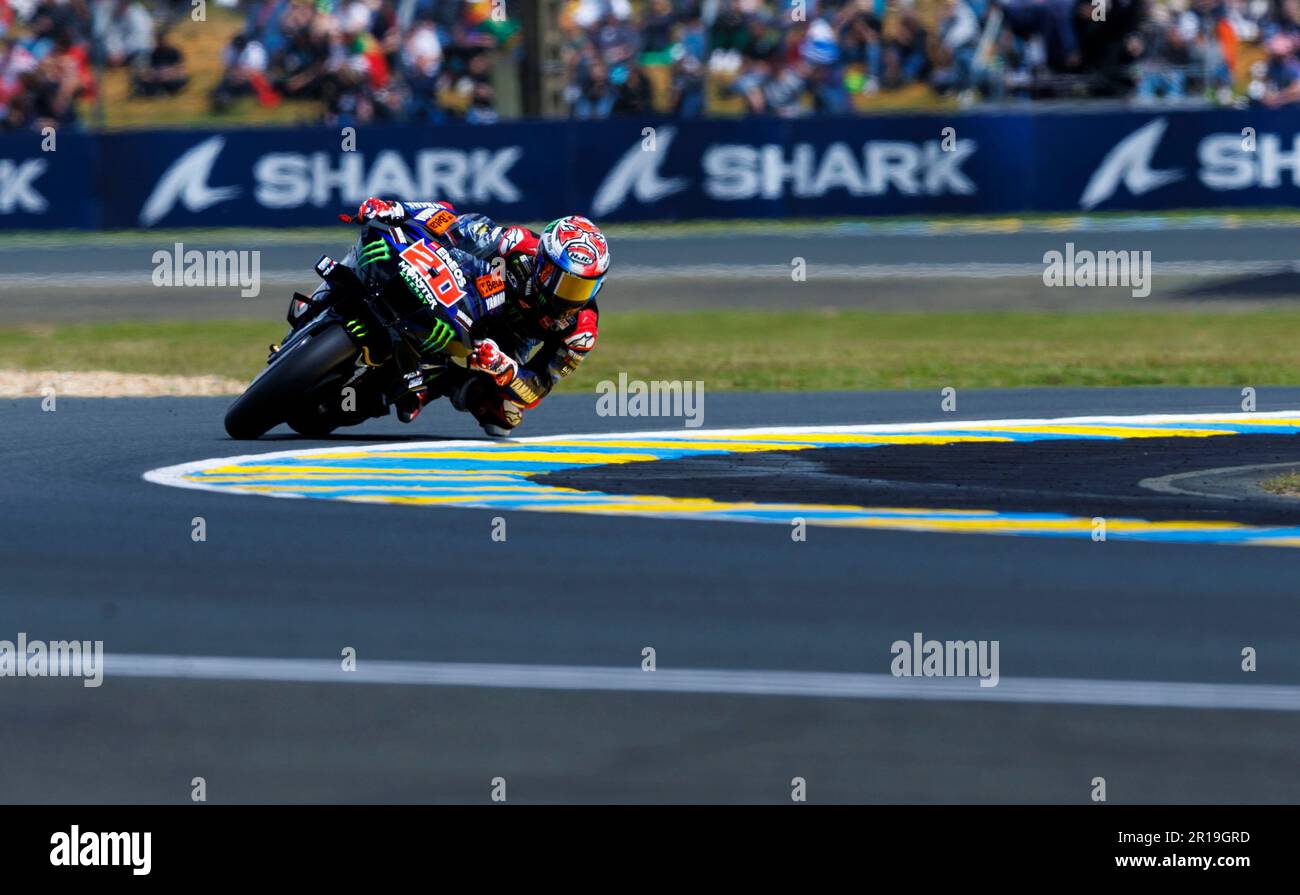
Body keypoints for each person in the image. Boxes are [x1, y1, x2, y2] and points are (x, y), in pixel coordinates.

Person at [341, 197, 610, 436]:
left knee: (505, 418)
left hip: (506, 343)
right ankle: (347, 284)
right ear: (543, 261)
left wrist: (507, 369)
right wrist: (399, 208)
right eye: (564, 282)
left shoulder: (581, 330)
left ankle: (441, 381)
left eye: (583, 287)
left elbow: (539, 387)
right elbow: (450, 221)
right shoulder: (517, 245)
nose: (570, 297)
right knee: (403, 240)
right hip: (470, 292)